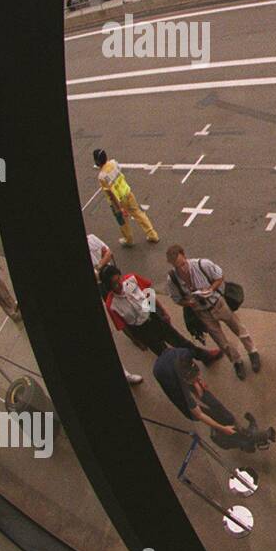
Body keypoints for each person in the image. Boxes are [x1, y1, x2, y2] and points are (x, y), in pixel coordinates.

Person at [165, 244, 260, 380]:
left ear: (185, 255)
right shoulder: (172, 279)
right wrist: (188, 303)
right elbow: (176, 299)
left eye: (183, 264)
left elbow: (219, 276)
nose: (182, 268)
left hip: (218, 304)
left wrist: (211, 289)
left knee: (238, 328)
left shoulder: (202, 264)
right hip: (202, 312)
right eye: (177, 266)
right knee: (221, 341)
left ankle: (252, 351)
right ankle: (236, 361)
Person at [152, 348, 274, 452]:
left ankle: (237, 428)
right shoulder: (179, 387)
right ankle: (233, 438)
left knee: (209, 399)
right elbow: (198, 414)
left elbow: (192, 369)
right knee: (198, 414)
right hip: (166, 376)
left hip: (173, 362)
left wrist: (198, 382)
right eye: (192, 381)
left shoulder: (186, 354)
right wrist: (223, 429)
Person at [100, 264, 220, 363]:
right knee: (165, 354)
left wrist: (162, 311)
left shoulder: (132, 279)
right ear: (109, 287)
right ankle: (185, 372)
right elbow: (123, 327)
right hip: (141, 329)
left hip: (153, 315)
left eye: (119, 279)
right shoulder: (112, 304)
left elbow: (149, 294)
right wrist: (137, 341)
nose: (119, 284)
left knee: (179, 340)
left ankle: (204, 356)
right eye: (115, 283)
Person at [86, 232, 142, 384]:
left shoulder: (91, 239)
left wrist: (98, 268)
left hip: (108, 277)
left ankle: (141, 322)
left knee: (130, 297)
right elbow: (106, 255)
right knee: (117, 310)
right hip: (102, 287)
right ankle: (134, 334)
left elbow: (108, 253)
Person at [93, 147, 158, 247]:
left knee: (122, 221)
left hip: (118, 201)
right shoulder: (113, 163)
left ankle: (129, 240)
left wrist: (119, 208)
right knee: (138, 213)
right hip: (128, 192)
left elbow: (111, 194)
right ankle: (152, 234)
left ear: (97, 162)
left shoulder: (101, 176)